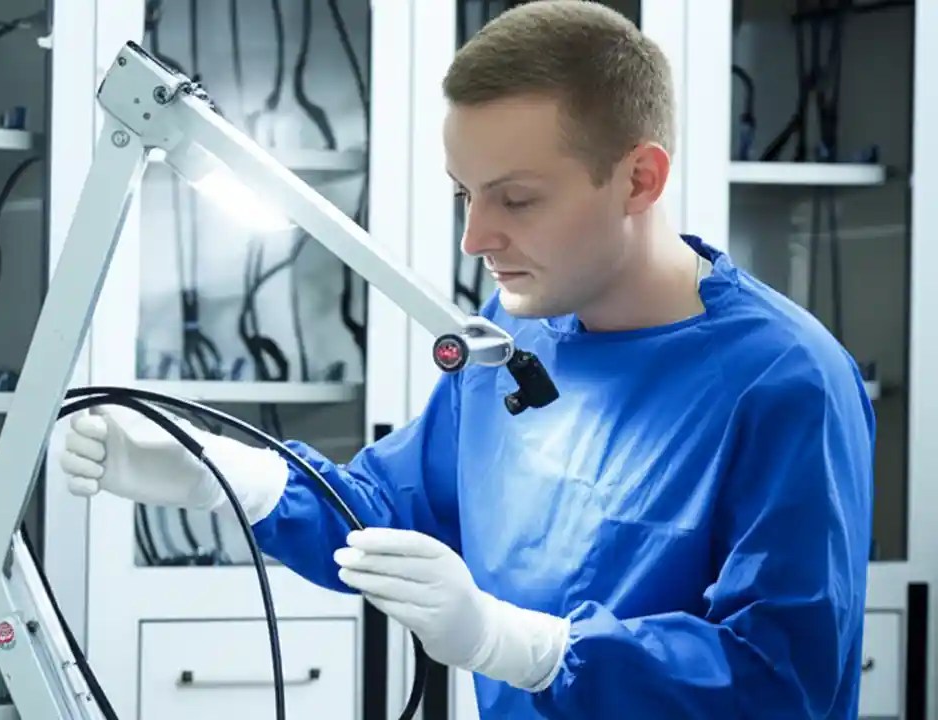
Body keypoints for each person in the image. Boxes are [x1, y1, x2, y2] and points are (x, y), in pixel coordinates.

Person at [58, 1, 876, 716]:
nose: (475, 239)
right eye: (464, 193)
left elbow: (781, 683)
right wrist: (225, 475)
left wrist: (526, 647)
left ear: (639, 180)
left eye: (516, 199)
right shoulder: (513, 337)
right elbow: (396, 510)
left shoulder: (787, 383)